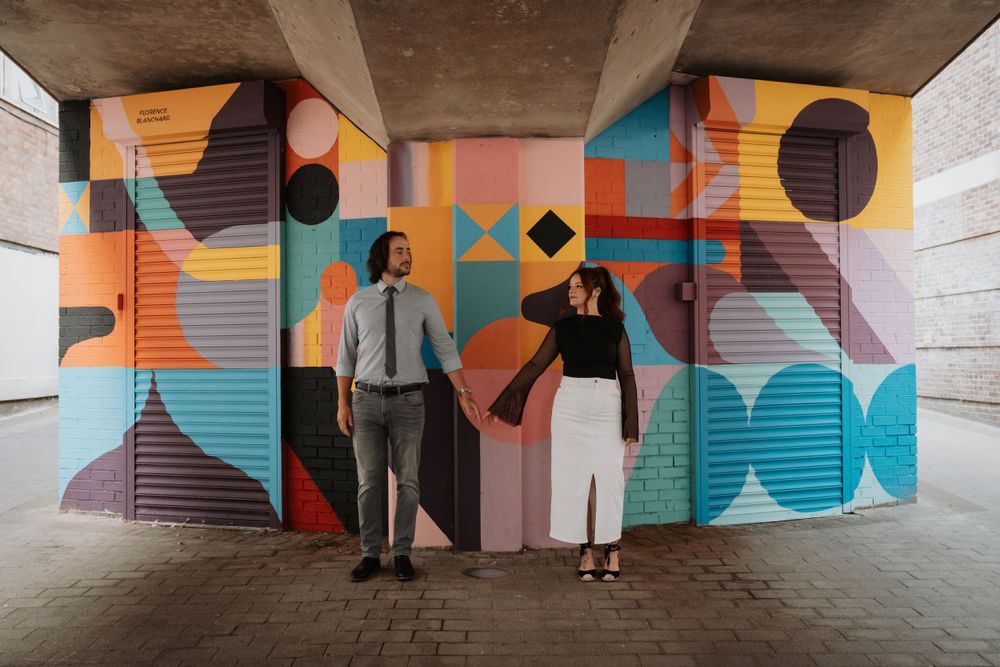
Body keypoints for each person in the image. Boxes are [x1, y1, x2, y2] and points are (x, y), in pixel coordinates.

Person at [336, 231, 482, 582]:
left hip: (408, 402)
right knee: (368, 483)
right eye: (399, 250)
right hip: (366, 401)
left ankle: (402, 552)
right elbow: (345, 357)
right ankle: (370, 554)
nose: (407, 255)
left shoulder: (423, 300)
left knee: (409, 482)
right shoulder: (357, 302)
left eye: (409, 250)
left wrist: (465, 392)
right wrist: (342, 403)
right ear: (381, 257)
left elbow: (445, 349)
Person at [486, 266, 638, 581]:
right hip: (570, 408)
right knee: (573, 481)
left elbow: (626, 375)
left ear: (596, 290)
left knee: (608, 481)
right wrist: (502, 405)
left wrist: (630, 423)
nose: (570, 291)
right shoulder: (562, 327)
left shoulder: (615, 329)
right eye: (570, 286)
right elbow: (535, 365)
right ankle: (585, 551)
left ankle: (612, 548)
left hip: (607, 407)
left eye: (577, 286)